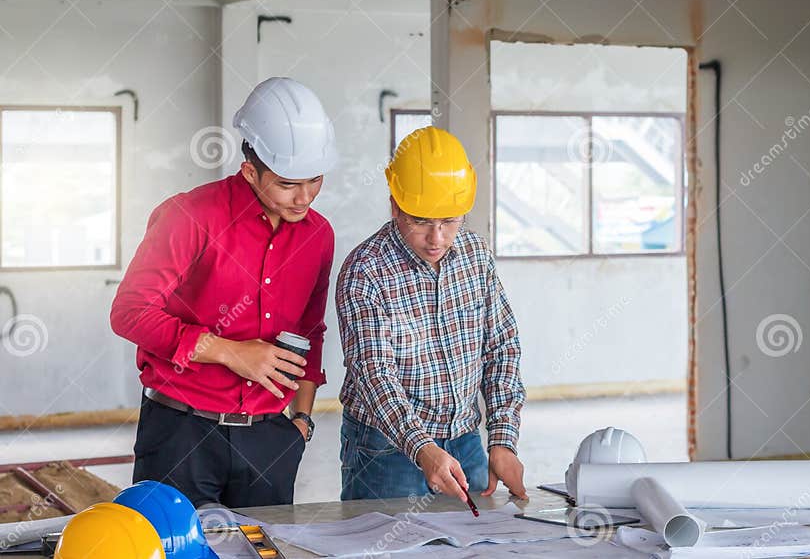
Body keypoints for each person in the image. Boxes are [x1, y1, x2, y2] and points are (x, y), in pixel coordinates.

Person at [110, 77, 336, 507]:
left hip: (271, 439)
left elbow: (312, 330)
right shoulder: (189, 216)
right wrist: (229, 351)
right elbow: (129, 312)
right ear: (250, 170)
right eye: (288, 184)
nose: (304, 197)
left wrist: (301, 421)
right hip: (181, 435)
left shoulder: (319, 235)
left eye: (315, 180)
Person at [336, 126, 526, 502]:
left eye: (450, 221)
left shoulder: (475, 254)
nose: (437, 238)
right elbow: (374, 375)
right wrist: (422, 448)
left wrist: (503, 438)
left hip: (465, 443)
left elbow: (501, 346)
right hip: (386, 450)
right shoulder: (366, 271)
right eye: (421, 221)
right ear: (395, 205)